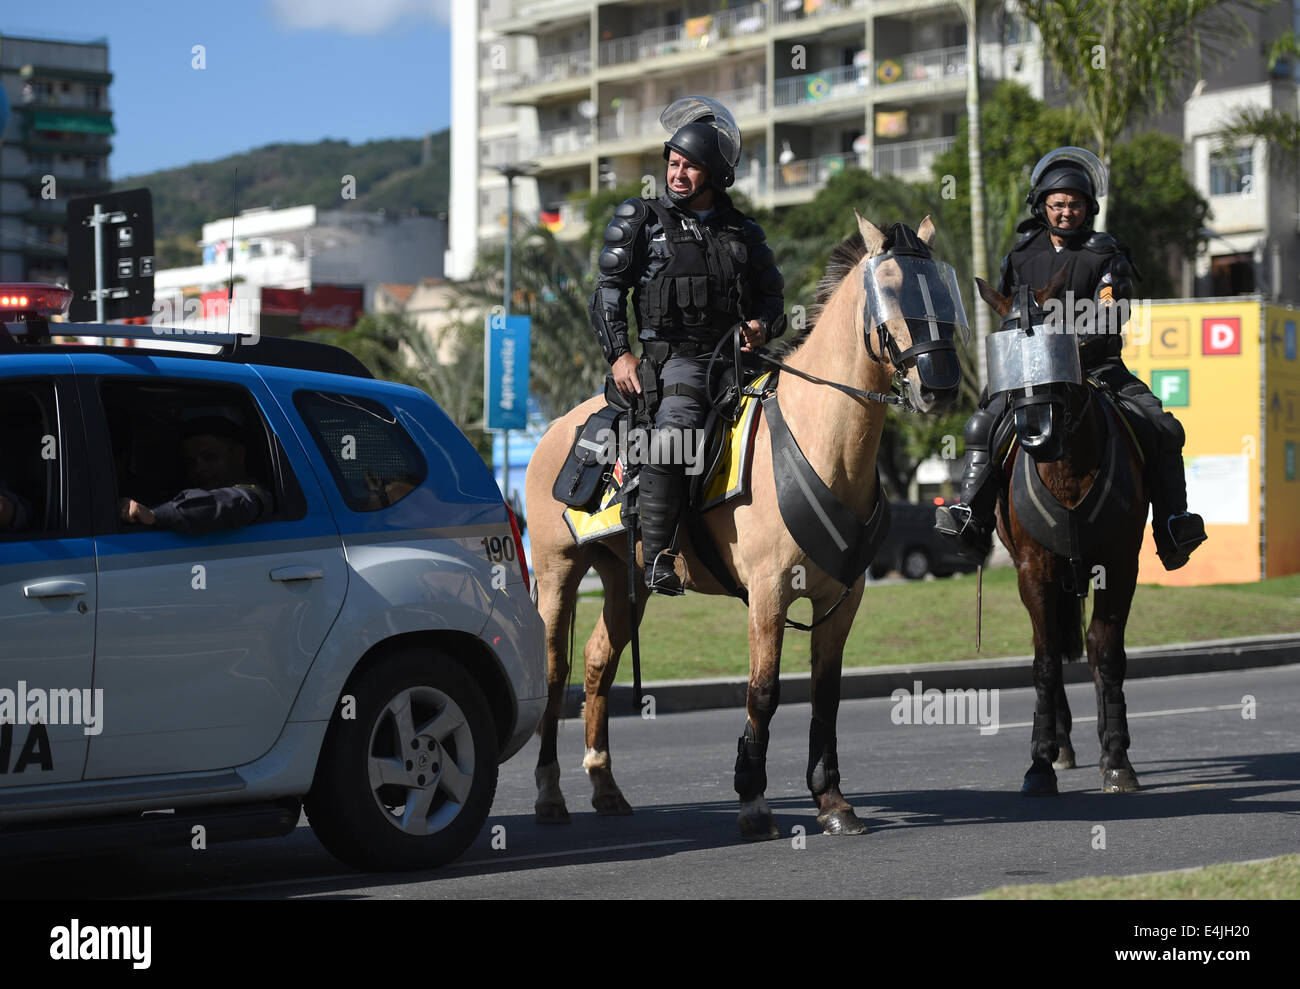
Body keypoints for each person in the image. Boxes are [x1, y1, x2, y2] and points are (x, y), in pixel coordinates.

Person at [935, 147, 1206, 570]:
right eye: (1058, 204)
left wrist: (1068, 350)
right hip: (1028, 372)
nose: (1066, 212)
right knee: (981, 423)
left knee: (1162, 425)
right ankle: (972, 516)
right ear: (1042, 206)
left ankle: (1173, 525)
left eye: (1075, 204)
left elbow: (1112, 313)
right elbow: (1009, 313)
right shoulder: (1020, 257)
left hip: (1099, 369)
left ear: (1089, 207)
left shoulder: (1106, 254)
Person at [588, 96, 786, 594]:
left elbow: (774, 300)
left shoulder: (744, 230)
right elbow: (607, 292)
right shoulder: (640, 218)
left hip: (741, 360)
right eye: (673, 163)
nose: (677, 174)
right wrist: (620, 354)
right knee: (674, 430)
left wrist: (763, 326)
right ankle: (656, 557)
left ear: (715, 174)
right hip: (675, 362)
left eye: (689, 166)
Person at [119, 416, 273, 534]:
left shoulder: (256, 496)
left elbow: (227, 503)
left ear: (239, 455)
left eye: (210, 457)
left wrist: (154, 515)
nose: (200, 468)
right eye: (191, 462)